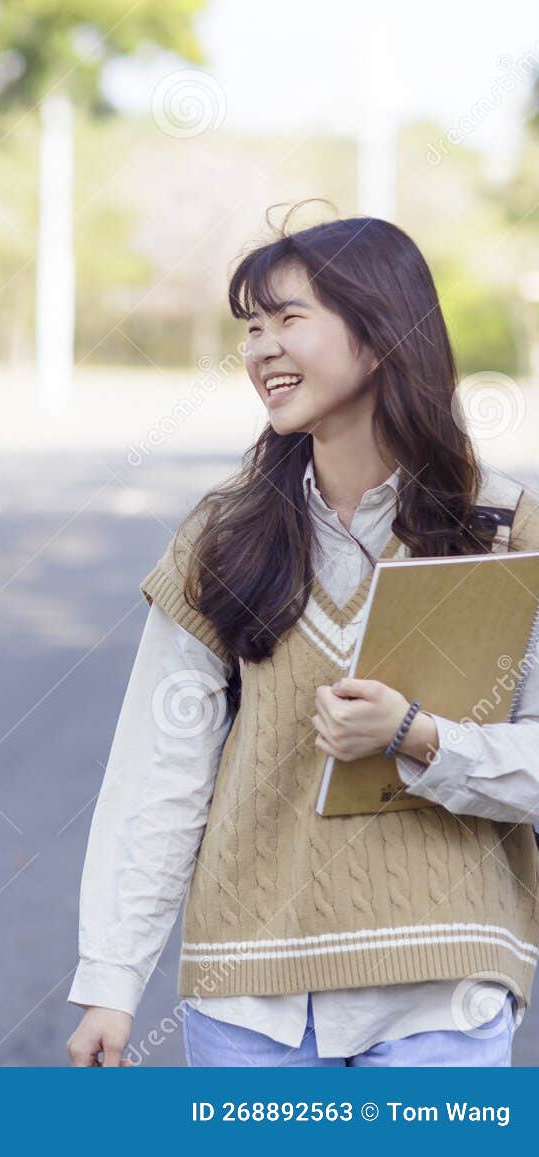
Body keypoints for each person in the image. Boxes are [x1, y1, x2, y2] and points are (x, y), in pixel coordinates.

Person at [66, 213, 539, 1067]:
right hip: (250, 1001)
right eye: (252, 328)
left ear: (382, 333)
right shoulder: (223, 538)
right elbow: (160, 768)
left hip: (442, 989)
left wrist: (421, 738)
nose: (262, 349)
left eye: (289, 318)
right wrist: (112, 977)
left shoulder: (503, 529)